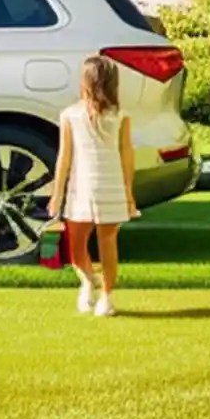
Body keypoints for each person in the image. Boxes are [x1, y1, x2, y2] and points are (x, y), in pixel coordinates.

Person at [47, 54, 140, 317]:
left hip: (109, 186)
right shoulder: (70, 115)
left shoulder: (120, 116)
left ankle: (107, 297)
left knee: (107, 241)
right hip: (80, 187)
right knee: (76, 245)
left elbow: (126, 154)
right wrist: (57, 194)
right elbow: (64, 157)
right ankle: (88, 282)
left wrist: (128, 192)